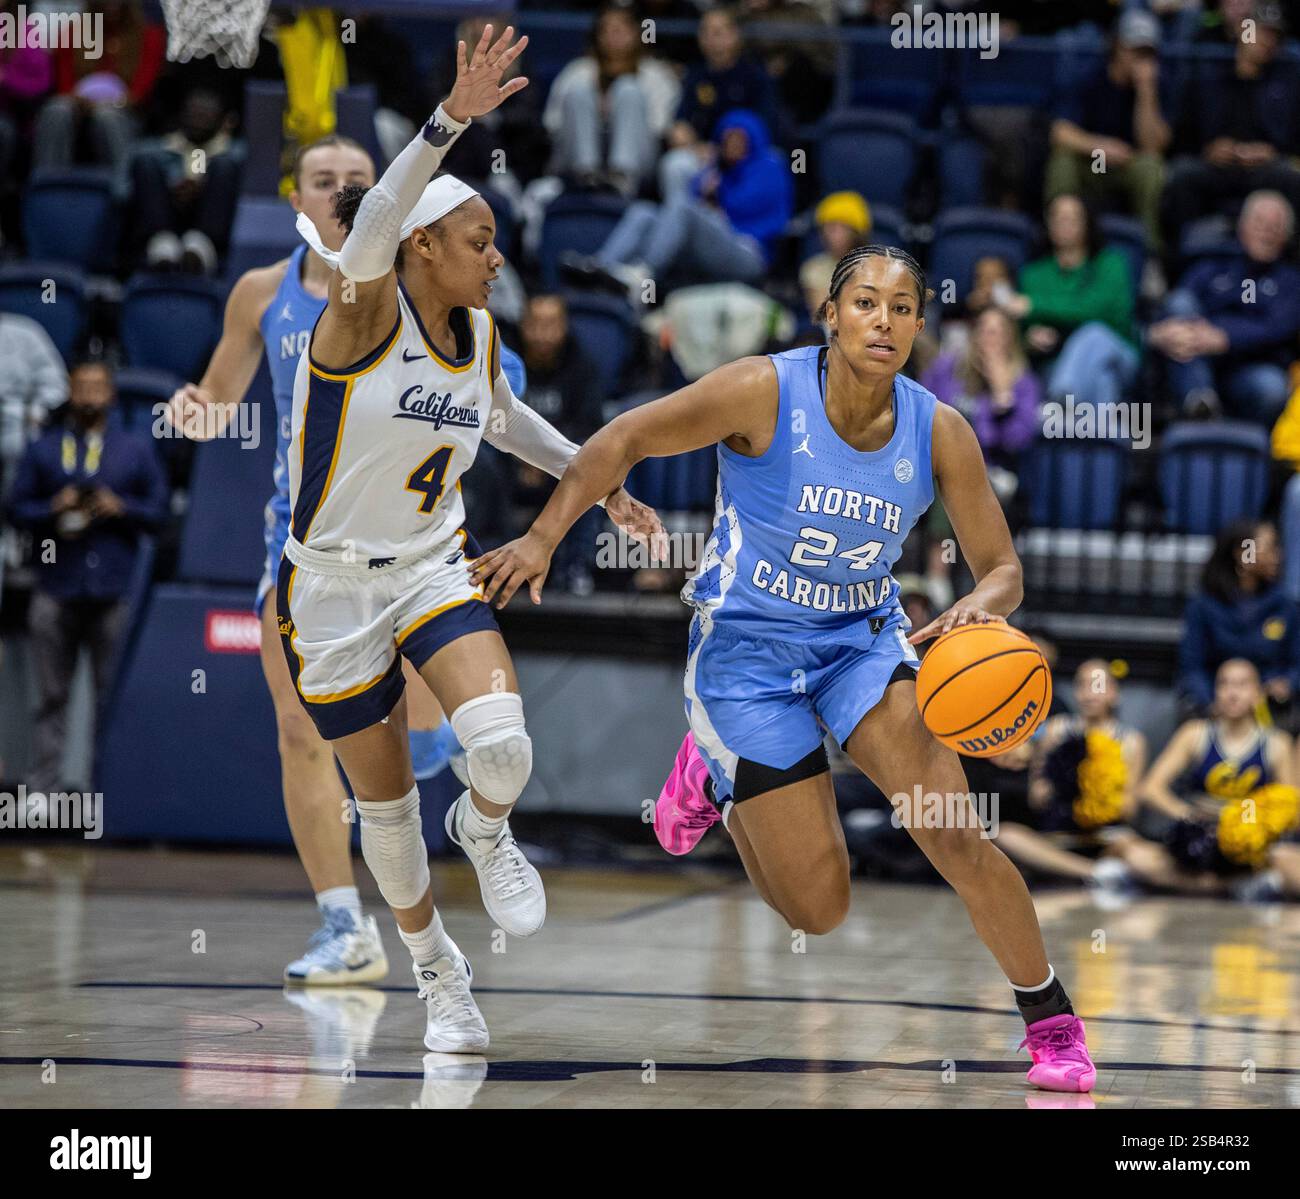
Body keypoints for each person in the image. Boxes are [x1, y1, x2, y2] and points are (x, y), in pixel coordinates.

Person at [474, 244, 1098, 1092]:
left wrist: (979, 605)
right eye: (866, 303)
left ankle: (1052, 1023)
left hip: (862, 647)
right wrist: (543, 536)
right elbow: (624, 437)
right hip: (746, 656)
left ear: (919, 325)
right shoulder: (760, 391)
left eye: (902, 307)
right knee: (820, 907)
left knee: (953, 830)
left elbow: (1003, 568)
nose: (884, 321)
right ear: (831, 316)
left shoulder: (938, 427)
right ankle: (717, 773)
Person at [278, 25, 661, 1049]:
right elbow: (369, 234)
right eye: (479, 240)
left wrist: (599, 480)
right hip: (327, 592)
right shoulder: (359, 314)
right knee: (387, 816)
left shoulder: (483, 336)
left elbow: (506, 424)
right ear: (421, 248)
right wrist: (450, 118)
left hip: (430, 565)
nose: (498, 256)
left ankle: (484, 826)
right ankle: (439, 973)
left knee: (502, 747)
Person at [164, 133, 524, 985]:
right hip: (304, 542)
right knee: (300, 730)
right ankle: (343, 922)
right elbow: (218, 402)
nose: (339, 190)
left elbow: (501, 413)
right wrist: (194, 412)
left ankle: (460, 795)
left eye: (357, 179)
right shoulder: (262, 292)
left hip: (412, 541)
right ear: (297, 194)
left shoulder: (410, 298)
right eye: (323, 179)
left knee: (432, 730)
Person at [7, 358, 167, 792]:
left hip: (112, 589)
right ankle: (44, 791)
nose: (90, 395)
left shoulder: (135, 449)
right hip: (55, 586)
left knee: (110, 697)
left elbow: (160, 512)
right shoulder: (44, 448)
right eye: (81, 387)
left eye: (98, 387)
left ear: (111, 395)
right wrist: (52, 507)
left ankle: (108, 792)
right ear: (69, 393)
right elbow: (16, 510)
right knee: (50, 696)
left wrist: (122, 507)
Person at [1107, 658, 1300, 898]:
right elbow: (1150, 789)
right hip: (1200, 837)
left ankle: (1200, 886)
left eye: (1241, 685)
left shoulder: (1276, 743)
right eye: (1224, 684)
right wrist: (1187, 815)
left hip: (1248, 844)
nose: (1232, 693)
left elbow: (1292, 809)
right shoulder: (1195, 733)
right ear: (1215, 691)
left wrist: (1254, 827)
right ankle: (1237, 887)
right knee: (1136, 857)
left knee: (1291, 865)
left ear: (1258, 693)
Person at [564, 108, 792, 302]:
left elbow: (749, 203)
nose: (732, 145)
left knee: (683, 207)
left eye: (740, 139)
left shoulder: (770, 165)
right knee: (644, 211)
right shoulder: (719, 170)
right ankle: (600, 266)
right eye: (727, 139)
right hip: (713, 242)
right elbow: (698, 194)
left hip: (749, 251)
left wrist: (717, 192)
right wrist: (709, 177)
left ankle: (642, 274)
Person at [1148, 189, 1300, 423]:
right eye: (1260, 222)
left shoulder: (1291, 281)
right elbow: (1175, 308)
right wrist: (1157, 332)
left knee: (1272, 387)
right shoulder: (1211, 267)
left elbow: (1276, 328)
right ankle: (1200, 401)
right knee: (1180, 303)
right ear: (1242, 227)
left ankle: (1239, 442)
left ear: (1286, 236)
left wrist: (1224, 337)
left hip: (1251, 366)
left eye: (1276, 226)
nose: (1267, 231)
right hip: (1195, 362)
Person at [1161, 1, 1300, 254]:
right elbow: (1181, 132)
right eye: (1261, 31)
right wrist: (1208, 149)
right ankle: (1177, 262)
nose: (1267, 41)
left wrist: (1271, 152)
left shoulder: (1286, 81)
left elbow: (1293, 136)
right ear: (1242, 30)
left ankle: (1290, 263)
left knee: (1290, 176)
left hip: (1263, 170)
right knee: (1182, 175)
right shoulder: (1207, 74)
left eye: (1274, 35)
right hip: (1216, 166)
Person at [993, 660, 1148, 884]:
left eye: (1098, 685)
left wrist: (1096, 792)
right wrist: (1063, 784)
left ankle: (1074, 870)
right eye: (1082, 685)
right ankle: (1095, 873)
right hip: (1058, 838)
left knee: (1134, 850)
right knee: (1004, 835)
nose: (1089, 694)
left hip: (1107, 838)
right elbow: (1036, 798)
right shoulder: (1057, 729)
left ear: (1115, 693)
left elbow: (1130, 809)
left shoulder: (1131, 741)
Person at [1045, 8, 1171, 251]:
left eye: (1146, 53)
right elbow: (1059, 131)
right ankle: (1057, 246)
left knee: (1152, 167)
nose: (1139, 59)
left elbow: (1154, 146)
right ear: (1117, 46)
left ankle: (1149, 251)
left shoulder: (1157, 86)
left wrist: (1146, 92)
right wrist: (1099, 146)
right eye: (1133, 50)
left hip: (1127, 166)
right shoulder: (1089, 76)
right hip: (1090, 162)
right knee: (1062, 161)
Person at [1004, 194, 1138, 413]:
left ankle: (1061, 397)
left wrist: (1035, 306)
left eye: (1072, 218)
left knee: (1094, 334)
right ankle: (1105, 440)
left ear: (1087, 223)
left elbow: (1098, 311)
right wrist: (1030, 338)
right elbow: (1020, 328)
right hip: (1057, 361)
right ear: (1047, 224)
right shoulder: (1033, 274)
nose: (1064, 225)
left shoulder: (1111, 264)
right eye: (1058, 218)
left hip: (1118, 353)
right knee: (1103, 378)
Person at [541, 3, 681, 195]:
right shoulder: (577, 71)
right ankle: (586, 177)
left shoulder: (656, 74)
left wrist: (617, 114)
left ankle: (621, 180)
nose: (613, 36)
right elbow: (553, 124)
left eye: (621, 29)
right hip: (577, 159)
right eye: (606, 30)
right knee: (579, 91)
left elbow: (660, 129)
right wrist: (596, 115)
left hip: (639, 163)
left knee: (628, 89)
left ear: (636, 33)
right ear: (597, 36)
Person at [1177, 519, 1300, 724]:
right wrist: (1212, 702)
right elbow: (1192, 668)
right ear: (1245, 553)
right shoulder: (1204, 606)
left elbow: (1297, 664)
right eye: (1270, 547)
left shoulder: (1285, 606)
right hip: (1216, 710)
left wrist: (1287, 684)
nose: (1278, 555)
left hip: (1272, 712)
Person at [921, 307, 1040, 504]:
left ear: (1010, 339)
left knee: (956, 475)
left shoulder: (1023, 384)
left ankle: (940, 536)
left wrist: (1002, 397)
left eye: (996, 332)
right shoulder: (949, 368)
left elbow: (1015, 443)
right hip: (939, 460)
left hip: (990, 471)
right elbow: (921, 409)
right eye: (983, 329)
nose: (988, 338)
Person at [660, 6, 780, 201]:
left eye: (717, 32)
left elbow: (763, 127)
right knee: (674, 164)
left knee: (773, 161)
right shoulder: (696, 74)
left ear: (735, 35)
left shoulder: (755, 75)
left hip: (746, 156)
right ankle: (681, 223)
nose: (710, 39)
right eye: (705, 32)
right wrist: (691, 142)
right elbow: (680, 124)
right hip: (703, 153)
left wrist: (723, 150)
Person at [128, 85, 242, 274]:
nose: (198, 121)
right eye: (193, 114)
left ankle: (200, 248)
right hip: (165, 217)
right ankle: (161, 246)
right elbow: (120, 191)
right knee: (145, 163)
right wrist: (171, 186)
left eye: (205, 115)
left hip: (211, 224)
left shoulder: (238, 153)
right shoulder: (152, 149)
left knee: (225, 167)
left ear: (224, 120)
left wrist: (201, 187)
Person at [0, 311, 68, 496]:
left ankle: (11, 513)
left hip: (15, 417)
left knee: (18, 445)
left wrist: (38, 411)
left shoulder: (25, 332)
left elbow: (55, 384)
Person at [800, 191, 871, 328]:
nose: (830, 234)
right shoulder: (814, 268)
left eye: (840, 227)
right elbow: (824, 316)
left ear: (857, 232)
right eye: (827, 227)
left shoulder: (881, 266)